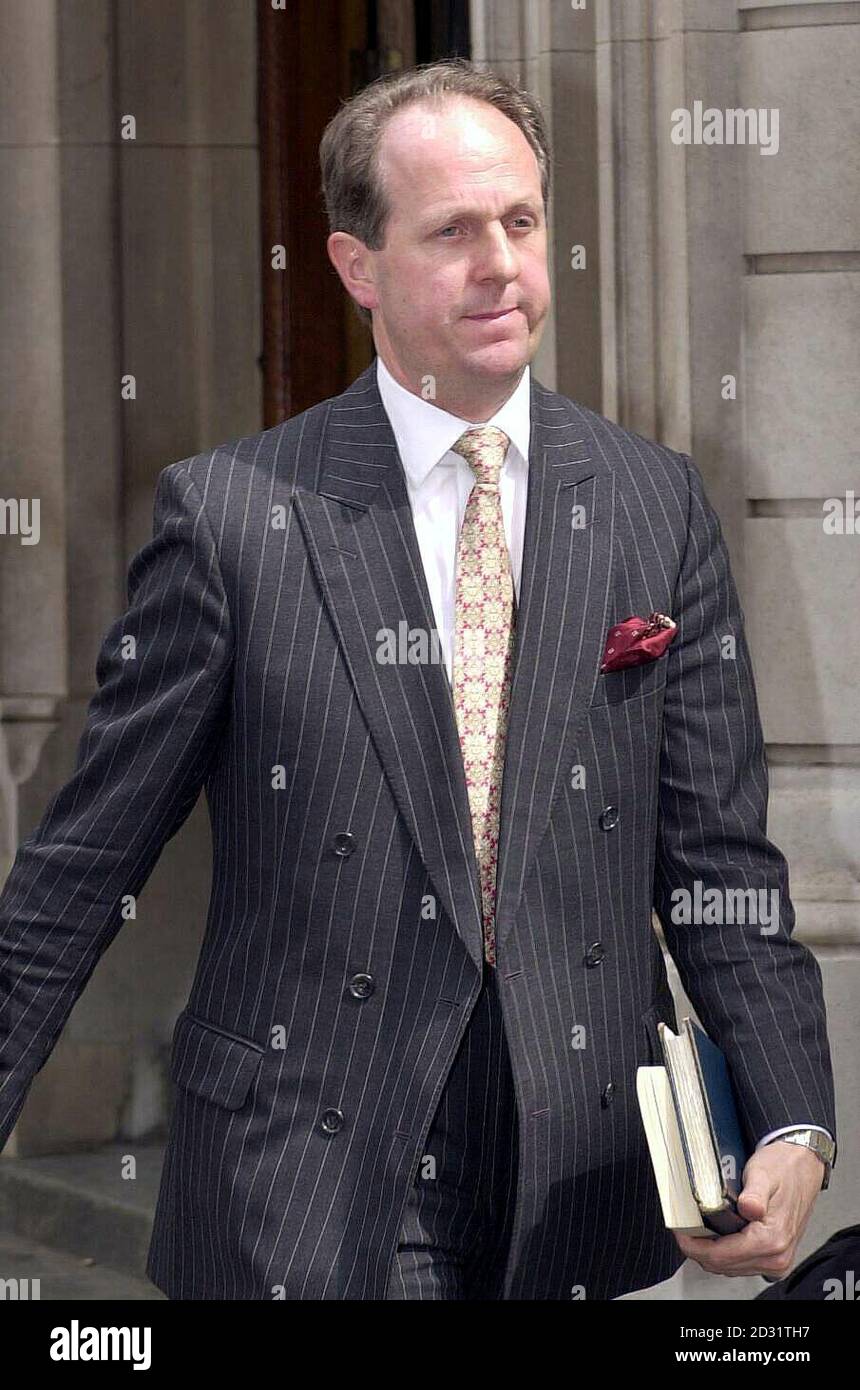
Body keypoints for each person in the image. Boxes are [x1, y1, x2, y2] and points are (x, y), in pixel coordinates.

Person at [0, 59, 836, 1300]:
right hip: (311, 1177)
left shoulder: (652, 505)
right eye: (451, 231)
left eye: (521, 220)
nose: (500, 262)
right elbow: (84, 863)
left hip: (581, 1174)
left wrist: (791, 1126)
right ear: (355, 268)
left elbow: (715, 858)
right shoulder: (233, 517)